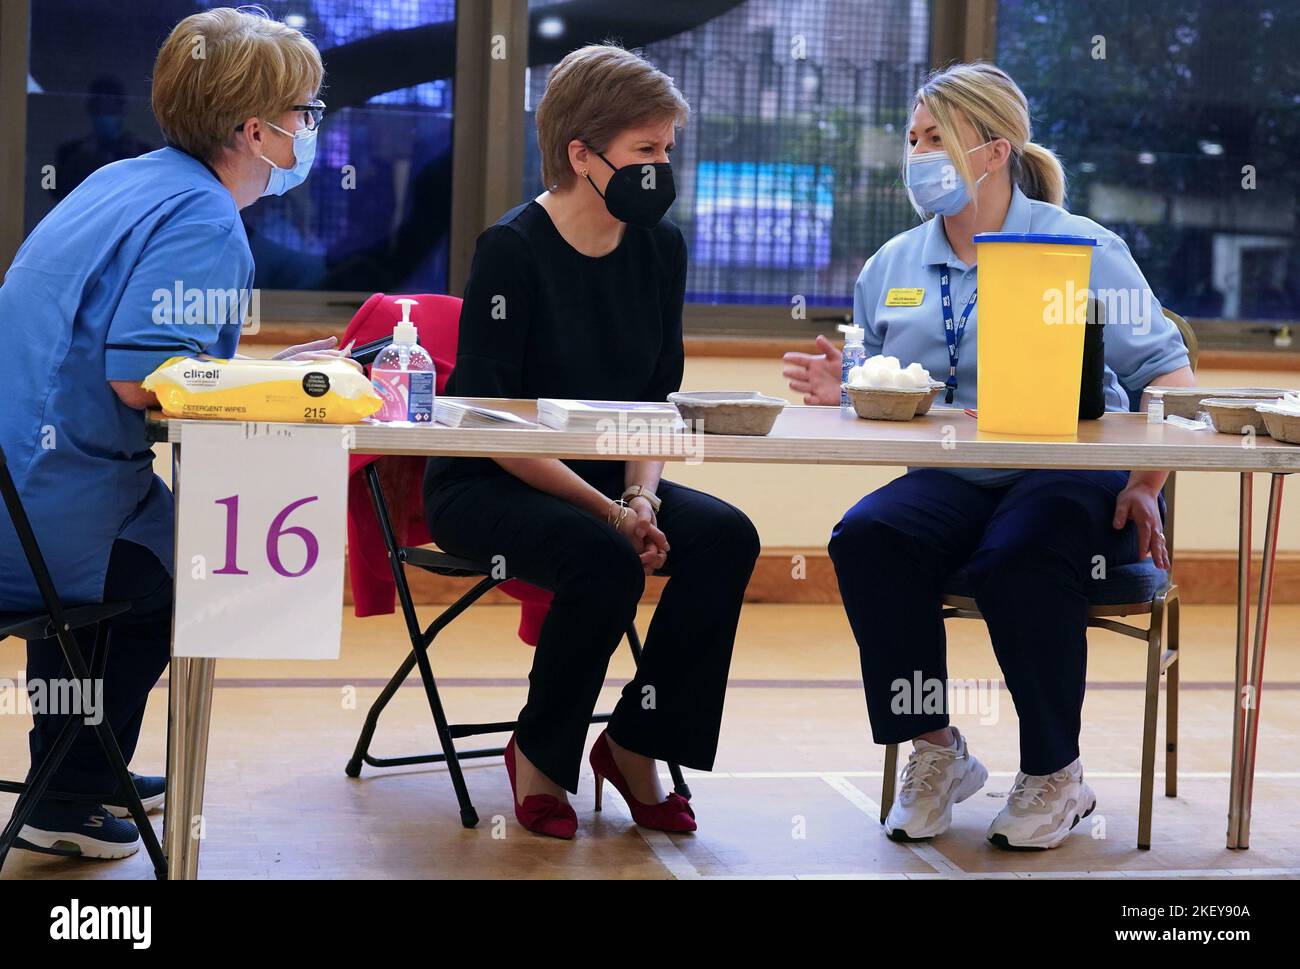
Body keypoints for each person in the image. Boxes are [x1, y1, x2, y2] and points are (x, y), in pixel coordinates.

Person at [782, 63, 1195, 850]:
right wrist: (842, 387)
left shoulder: (1085, 247)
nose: (917, 154)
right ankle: (936, 748)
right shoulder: (891, 266)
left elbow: (1169, 378)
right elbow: (881, 383)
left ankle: (1055, 773)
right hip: (951, 476)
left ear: (996, 148)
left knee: (1020, 556)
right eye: (912, 138)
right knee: (869, 537)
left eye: (937, 137)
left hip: (1066, 474)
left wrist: (1148, 482)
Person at [0, 7, 335, 860]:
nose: (311, 130)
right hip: (49, 501)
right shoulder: (205, 219)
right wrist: (280, 385)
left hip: (27, 474)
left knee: (143, 565)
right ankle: (68, 790)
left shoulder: (129, 180)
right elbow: (138, 378)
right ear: (254, 129)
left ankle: (75, 766)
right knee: (189, 578)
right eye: (305, 112)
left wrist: (259, 365)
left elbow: (143, 347)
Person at [424, 44, 760, 839]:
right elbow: (493, 427)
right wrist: (611, 512)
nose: (662, 166)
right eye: (646, 150)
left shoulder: (659, 249)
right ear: (582, 153)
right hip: (489, 482)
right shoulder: (512, 249)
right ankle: (540, 751)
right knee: (604, 554)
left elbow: (653, 405)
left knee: (725, 538)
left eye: (667, 149)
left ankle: (637, 740)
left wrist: (640, 494)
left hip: (609, 477)